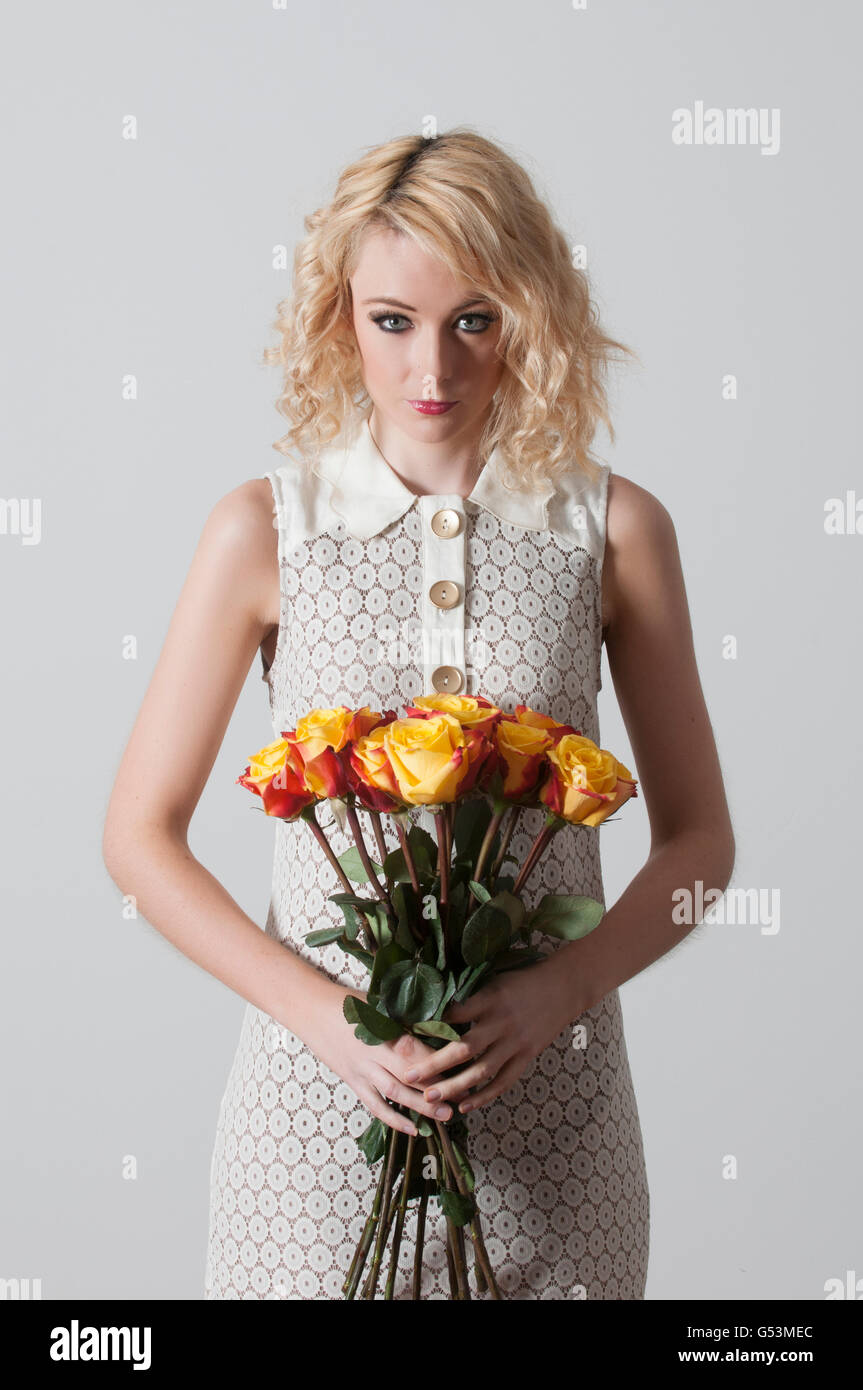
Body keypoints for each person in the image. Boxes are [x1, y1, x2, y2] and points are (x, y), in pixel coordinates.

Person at [102, 127, 735, 1300]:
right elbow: (138, 839)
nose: (430, 367)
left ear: (526, 314)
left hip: (564, 1130)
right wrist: (331, 1020)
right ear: (341, 315)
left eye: (473, 319)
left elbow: (700, 845)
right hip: (311, 1130)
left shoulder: (613, 531)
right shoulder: (263, 529)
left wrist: (565, 986)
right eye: (391, 319)